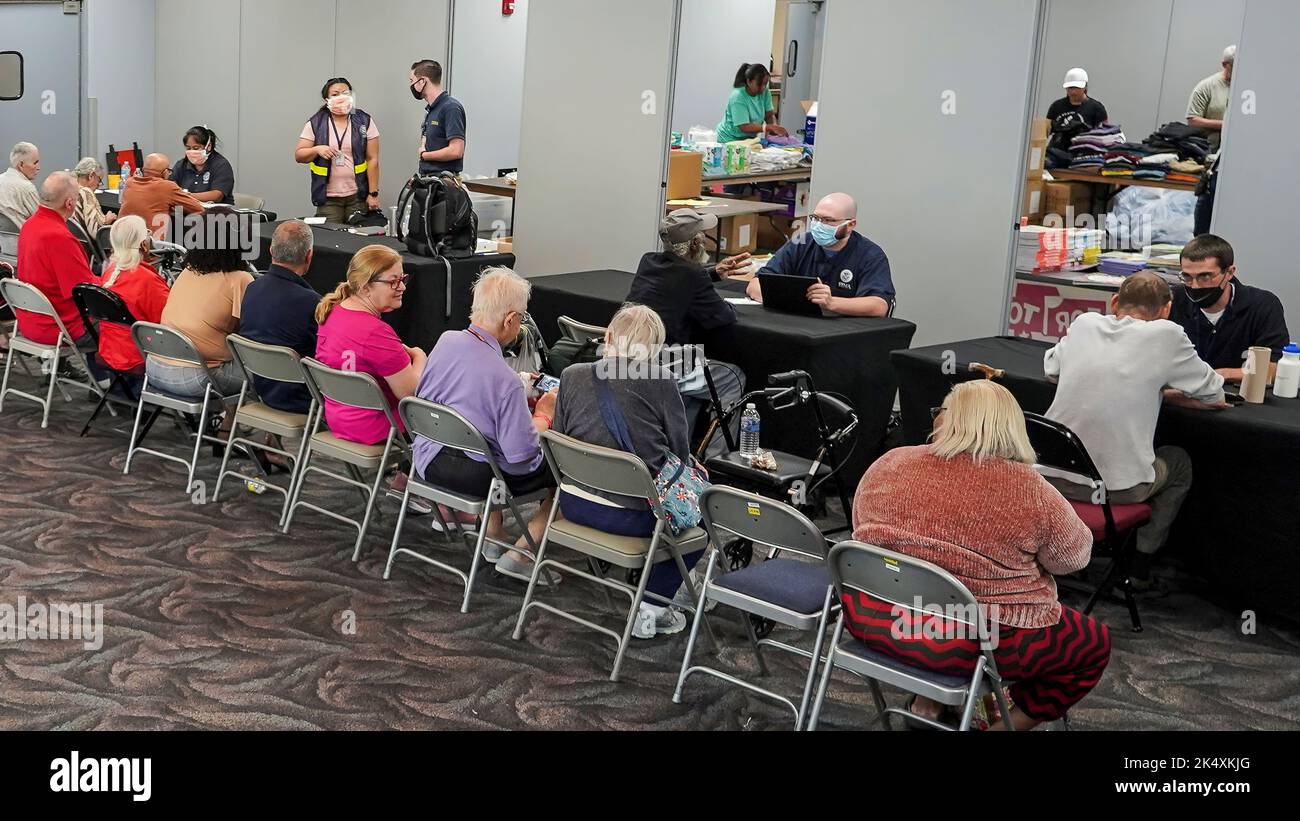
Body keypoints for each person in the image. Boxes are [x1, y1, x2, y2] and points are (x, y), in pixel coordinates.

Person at [851, 380, 1109, 731]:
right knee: (1092, 644)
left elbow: (860, 532)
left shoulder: (889, 463)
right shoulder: (1030, 489)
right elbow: (1073, 559)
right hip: (962, 643)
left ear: (949, 420)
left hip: (876, 620)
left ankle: (933, 701)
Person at [1045, 272, 1225, 592]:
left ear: (1115, 303)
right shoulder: (1168, 335)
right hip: (1116, 490)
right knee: (1179, 462)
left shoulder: (1085, 323)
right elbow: (1213, 394)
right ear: (1167, 309)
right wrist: (1162, 390)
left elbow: (1051, 370)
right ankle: (1140, 568)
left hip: (1048, 478)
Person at [552, 304, 701, 639]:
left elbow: (559, 439)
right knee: (699, 518)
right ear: (656, 350)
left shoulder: (571, 375)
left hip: (573, 504)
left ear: (607, 337)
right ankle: (652, 610)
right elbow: (679, 452)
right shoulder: (661, 380)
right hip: (634, 517)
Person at [413, 267, 560, 584]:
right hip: (476, 479)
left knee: (487, 440)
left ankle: (494, 536)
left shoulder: (445, 341)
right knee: (569, 476)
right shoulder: (505, 382)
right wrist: (544, 415)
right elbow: (522, 457)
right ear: (511, 321)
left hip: (429, 461)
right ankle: (522, 554)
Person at [627, 208, 747, 444]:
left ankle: (681, 450)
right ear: (695, 244)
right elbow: (723, 316)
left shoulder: (648, 260)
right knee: (733, 377)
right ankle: (718, 457)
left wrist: (713, 272)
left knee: (692, 384)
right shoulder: (693, 276)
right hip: (661, 362)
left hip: (630, 357)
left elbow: (677, 276)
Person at [313, 245, 424, 445]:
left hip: (340, 420)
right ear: (365, 287)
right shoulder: (375, 332)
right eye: (393, 281)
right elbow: (411, 393)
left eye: (403, 279)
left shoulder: (332, 313)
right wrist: (420, 357)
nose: (402, 287)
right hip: (379, 428)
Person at [148, 209, 254, 397]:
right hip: (197, 376)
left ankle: (219, 418)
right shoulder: (239, 279)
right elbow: (249, 333)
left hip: (155, 367)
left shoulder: (186, 273)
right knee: (266, 370)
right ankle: (230, 423)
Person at [13, 172, 106, 381]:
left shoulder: (29, 226)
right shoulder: (59, 237)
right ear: (70, 203)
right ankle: (110, 386)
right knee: (121, 321)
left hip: (29, 321)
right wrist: (112, 280)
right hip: (59, 328)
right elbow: (85, 291)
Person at [746, 192, 895, 317]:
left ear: (850, 225)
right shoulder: (801, 243)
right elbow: (756, 283)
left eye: (828, 220)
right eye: (816, 218)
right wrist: (784, 300)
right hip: (797, 322)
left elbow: (879, 306)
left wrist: (831, 303)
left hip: (844, 330)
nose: (819, 225)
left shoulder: (870, 255)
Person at [1168, 234, 1290, 383]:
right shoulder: (1173, 299)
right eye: (1187, 277)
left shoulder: (1262, 305)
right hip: (1182, 393)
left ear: (1230, 273)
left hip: (1239, 397)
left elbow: (1274, 367)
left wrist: (1218, 375)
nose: (1195, 285)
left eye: (1205, 277)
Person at [238, 220, 318, 413]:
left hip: (259, 388)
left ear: (271, 250)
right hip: (301, 397)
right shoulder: (313, 303)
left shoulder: (252, 288)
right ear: (309, 256)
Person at [295, 78, 381, 222]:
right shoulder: (316, 123)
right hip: (328, 198)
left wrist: (373, 194)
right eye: (335, 94)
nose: (341, 97)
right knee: (331, 240)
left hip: (358, 196)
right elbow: (299, 155)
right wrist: (317, 149)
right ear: (326, 99)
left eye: (345, 93)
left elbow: (373, 159)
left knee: (357, 240)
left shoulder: (364, 121)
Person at [95, 215, 170, 374]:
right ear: (144, 244)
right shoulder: (147, 280)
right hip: (138, 355)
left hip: (110, 351)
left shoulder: (109, 274)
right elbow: (168, 322)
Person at [118, 153, 203, 239]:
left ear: (143, 169)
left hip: (121, 243)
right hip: (150, 247)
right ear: (165, 172)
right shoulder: (167, 186)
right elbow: (199, 209)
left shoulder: (129, 182)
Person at [410, 59, 466, 176]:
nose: (411, 86)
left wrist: (424, 155)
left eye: (412, 81)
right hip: (429, 179)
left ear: (422, 81)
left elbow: (456, 151)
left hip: (444, 182)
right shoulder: (432, 109)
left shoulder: (451, 108)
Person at [716, 63, 788, 144]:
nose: (763, 88)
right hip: (730, 139)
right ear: (749, 81)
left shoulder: (765, 92)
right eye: (759, 84)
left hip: (748, 139)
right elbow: (744, 126)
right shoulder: (738, 96)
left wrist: (774, 130)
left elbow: (769, 115)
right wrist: (768, 127)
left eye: (765, 83)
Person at [1186, 44, 1235, 152]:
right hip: (1207, 151)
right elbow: (1192, 120)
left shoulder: (1246, 90)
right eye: (1235, 65)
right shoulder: (1205, 87)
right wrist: (1225, 125)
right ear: (1224, 64)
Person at [171, 125, 235, 205]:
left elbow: (217, 195)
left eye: (196, 148)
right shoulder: (182, 165)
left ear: (208, 146)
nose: (191, 151)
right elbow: (170, 188)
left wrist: (186, 196)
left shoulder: (221, 165)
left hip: (216, 214)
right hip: (187, 210)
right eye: (188, 148)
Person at [0, 141, 41, 230]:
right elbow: (42, 220)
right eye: (35, 163)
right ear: (21, 165)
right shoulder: (27, 188)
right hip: (23, 240)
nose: (38, 167)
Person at [72, 157, 117, 234]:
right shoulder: (85, 192)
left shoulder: (69, 186)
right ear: (91, 175)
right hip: (87, 244)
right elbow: (95, 232)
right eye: (99, 180)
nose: (99, 185)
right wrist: (107, 220)